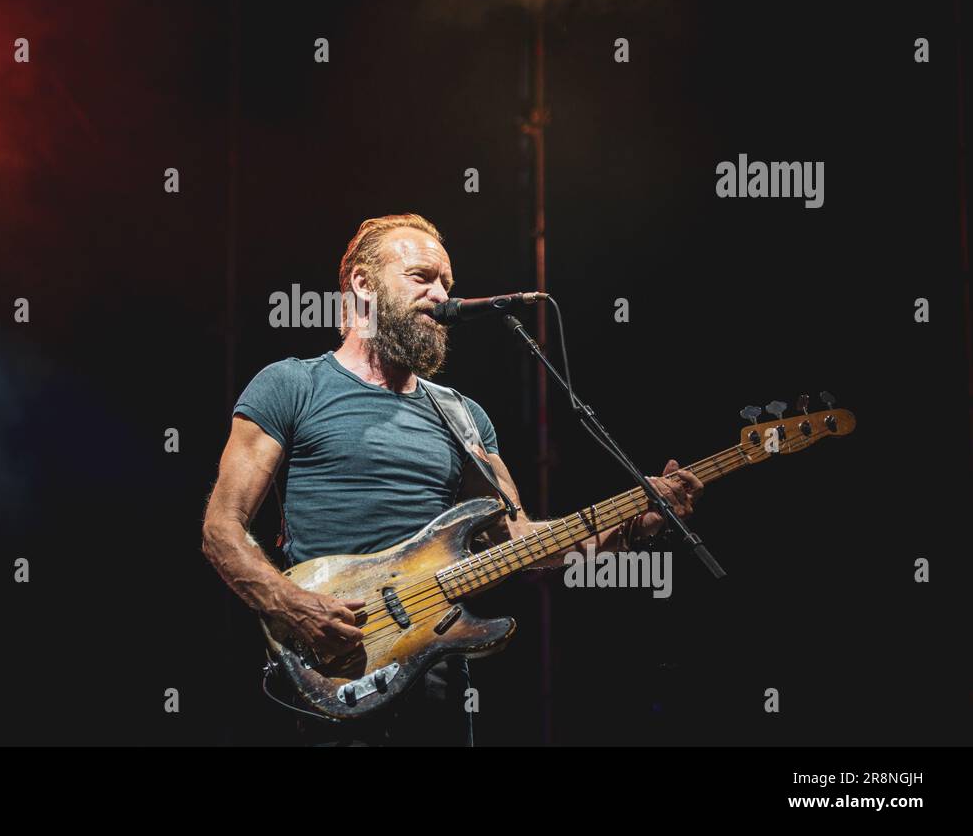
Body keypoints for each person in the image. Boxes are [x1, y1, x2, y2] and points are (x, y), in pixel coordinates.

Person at [201, 213, 702, 745]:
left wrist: (630, 528)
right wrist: (291, 604)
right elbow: (221, 527)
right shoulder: (292, 385)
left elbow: (519, 543)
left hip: (435, 678)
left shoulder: (463, 416)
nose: (441, 295)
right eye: (422, 277)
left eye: (447, 283)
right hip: (329, 664)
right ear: (363, 284)